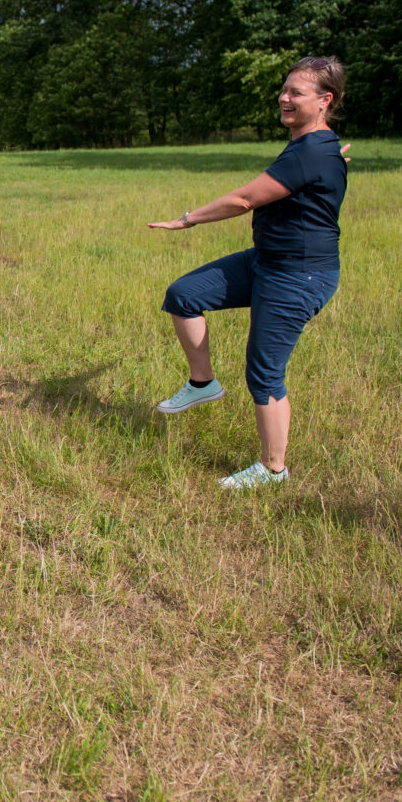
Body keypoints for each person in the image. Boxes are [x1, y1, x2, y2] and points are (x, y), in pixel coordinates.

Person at [149, 56, 351, 489]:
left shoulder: (315, 149)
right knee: (183, 294)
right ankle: (202, 382)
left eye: (296, 92)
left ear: (324, 100)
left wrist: (186, 219)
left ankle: (272, 470)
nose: (284, 97)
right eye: (285, 88)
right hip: (266, 261)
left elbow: (244, 199)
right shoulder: (316, 147)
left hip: (298, 275)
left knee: (264, 373)